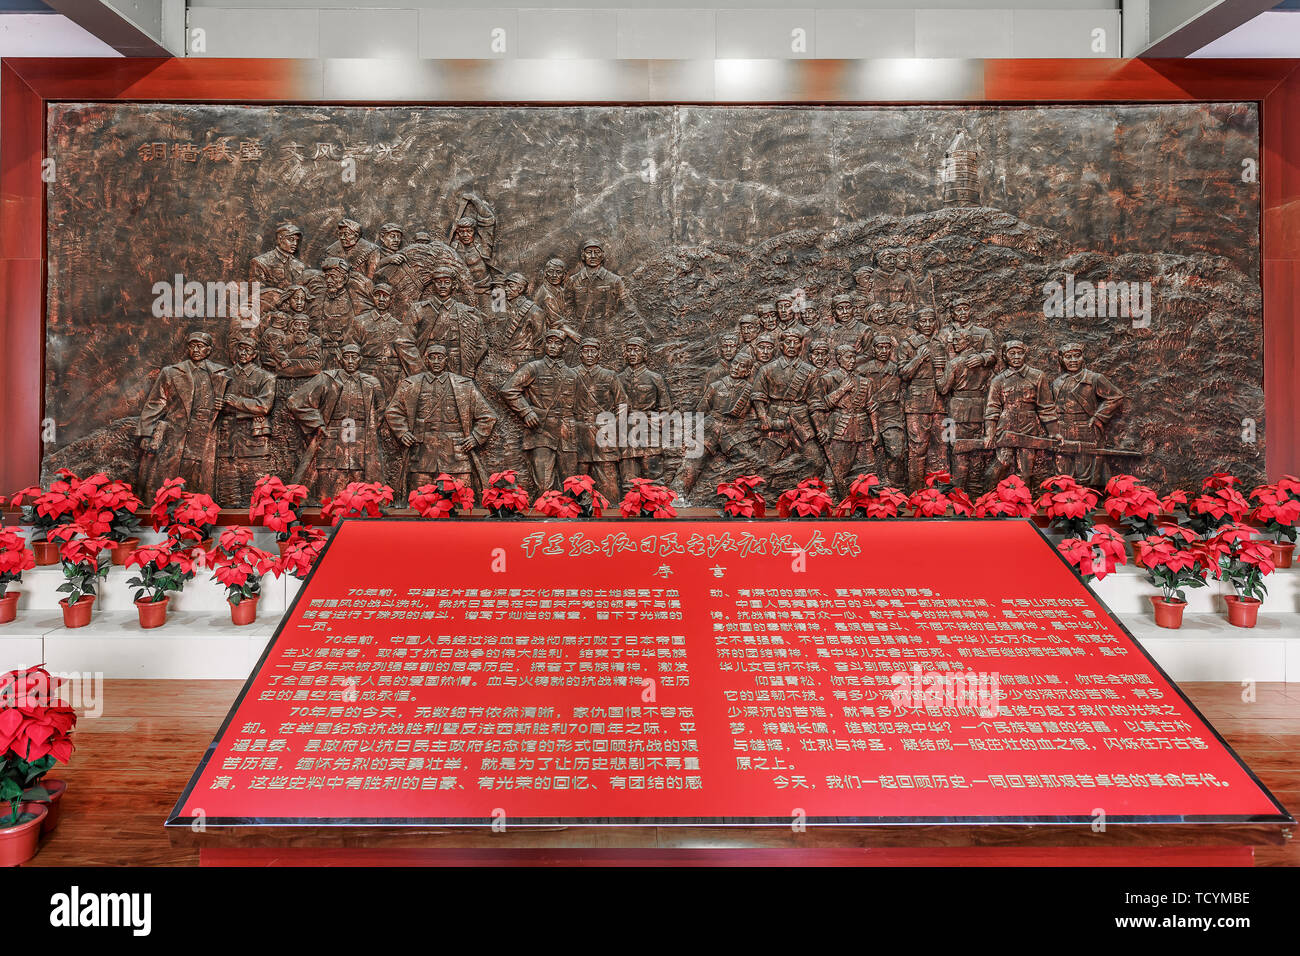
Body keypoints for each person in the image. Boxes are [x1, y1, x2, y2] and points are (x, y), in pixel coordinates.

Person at [385, 344, 497, 494]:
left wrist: (476, 437)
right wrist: (403, 432)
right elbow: (393, 411)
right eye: (432, 358)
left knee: (461, 500)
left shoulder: (464, 385)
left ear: (446, 360)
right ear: (426, 360)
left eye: (440, 357)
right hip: (422, 454)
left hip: (457, 453)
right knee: (419, 500)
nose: (436, 361)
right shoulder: (411, 384)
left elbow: (488, 415)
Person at [288, 343, 386, 500]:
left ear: (360, 360)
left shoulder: (371, 383)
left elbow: (380, 411)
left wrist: (366, 432)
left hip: (360, 442)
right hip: (331, 441)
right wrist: (317, 423)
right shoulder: (327, 379)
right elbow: (295, 402)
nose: (350, 361)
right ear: (340, 359)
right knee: (328, 490)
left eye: (354, 357)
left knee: (362, 492)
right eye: (346, 357)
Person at [137, 331, 227, 499]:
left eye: (200, 346)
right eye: (192, 346)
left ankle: (199, 512)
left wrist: (226, 406)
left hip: (207, 436)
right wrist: (146, 433)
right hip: (177, 434)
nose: (195, 350)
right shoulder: (171, 372)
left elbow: (232, 403)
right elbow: (156, 403)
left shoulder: (222, 373)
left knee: (200, 480)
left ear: (209, 350)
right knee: (172, 479)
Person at [501, 329, 579, 494]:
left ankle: (571, 516)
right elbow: (509, 389)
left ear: (564, 347)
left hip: (567, 432)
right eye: (549, 342)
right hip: (541, 431)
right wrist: (526, 412)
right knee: (544, 484)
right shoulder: (533, 367)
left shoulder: (572, 374)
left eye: (557, 343)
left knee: (572, 484)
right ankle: (545, 515)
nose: (552, 346)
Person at [751, 329, 829, 479]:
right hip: (775, 420)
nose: (792, 345)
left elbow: (815, 403)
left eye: (796, 342)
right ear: (781, 346)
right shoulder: (767, 369)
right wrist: (763, 418)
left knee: (817, 463)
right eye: (788, 342)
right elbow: (757, 396)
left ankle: (800, 491)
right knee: (763, 466)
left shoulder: (811, 372)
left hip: (801, 421)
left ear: (801, 345)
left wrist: (821, 427)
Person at [677, 353, 759, 495]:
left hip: (733, 430)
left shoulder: (751, 391)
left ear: (747, 371)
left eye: (742, 366)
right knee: (692, 463)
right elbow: (701, 410)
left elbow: (753, 416)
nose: (736, 367)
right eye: (735, 363)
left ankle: (740, 496)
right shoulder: (716, 386)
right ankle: (678, 496)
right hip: (711, 426)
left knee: (749, 462)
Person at [984, 340, 1062, 485]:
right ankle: (989, 495)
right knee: (1002, 463)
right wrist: (989, 433)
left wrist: (1054, 431)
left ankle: (1022, 501)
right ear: (1005, 356)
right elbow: (992, 408)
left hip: (1029, 427)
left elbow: (1046, 406)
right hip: (1006, 426)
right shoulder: (998, 380)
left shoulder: (1037, 376)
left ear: (1025, 355)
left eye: (1020, 353)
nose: (1016, 356)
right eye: (1012, 353)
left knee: (1025, 470)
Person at [938, 296, 995, 492]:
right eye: (957, 309)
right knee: (974, 447)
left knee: (959, 447)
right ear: (951, 313)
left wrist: (981, 357)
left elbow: (993, 355)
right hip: (975, 406)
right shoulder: (943, 333)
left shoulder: (983, 333)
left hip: (959, 405)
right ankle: (973, 488)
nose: (962, 312)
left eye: (965, 308)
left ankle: (961, 489)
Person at [1051, 342, 1125, 487]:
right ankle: (1063, 503)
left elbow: (1116, 396)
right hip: (1062, 429)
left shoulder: (1094, 378)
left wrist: (1098, 416)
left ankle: (1085, 501)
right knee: (1062, 470)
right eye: (1068, 357)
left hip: (1085, 428)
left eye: (1077, 356)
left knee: (1084, 469)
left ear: (1083, 358)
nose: (1073, 360)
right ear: (1062, 360)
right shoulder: (1057, 382)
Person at [216, 335, 275, 505]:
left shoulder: (266, 377)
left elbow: (264, 406)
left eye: (247, 350)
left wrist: (235, 403)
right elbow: (219, 405)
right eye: (240, 349)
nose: (243, 353)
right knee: (228, 487)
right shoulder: (223, 376)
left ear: (254, 354)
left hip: (254, 437)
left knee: (255, 485)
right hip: (228, 436)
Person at [572, 337, 629, 504]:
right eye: (585, 351)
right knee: (578, 476)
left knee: (607, 475)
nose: (589, 354)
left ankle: (611, 512)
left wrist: (612, 425)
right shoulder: (571, 375)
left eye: (593, 351)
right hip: (579, 432)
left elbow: (623, 404)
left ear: (599, 354)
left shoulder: (609, 376)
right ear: (580, 354)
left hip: (603, 434)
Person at [407, 264, 488, 379]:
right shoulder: (419, 309)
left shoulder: (469, 313)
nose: (442, 286)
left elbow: (481, 345)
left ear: (454, 285)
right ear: (432, 285)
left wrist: (469, 366)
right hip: (427, 362)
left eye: (447, 282)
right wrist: (417, 368)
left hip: (458, 364)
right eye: (438, 282)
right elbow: (404, 341)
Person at [897, 307, 946, 489]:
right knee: (917, 450)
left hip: (939, 402)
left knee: (940, 449)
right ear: (916, 324)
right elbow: (903, 374)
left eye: (930, 321)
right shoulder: (908, 345)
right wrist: (918, 358)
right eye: (923, 321)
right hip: (917, 404)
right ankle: (916, 493)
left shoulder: (940, 344)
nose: (927, 325)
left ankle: (939, 493)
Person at [819, 344, 875, 499]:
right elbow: (821, 406)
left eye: (853, 357)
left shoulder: (865, 382)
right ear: (838, 359)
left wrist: (876, 432)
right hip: (840, 428)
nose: (852, 361)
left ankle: (863, 499)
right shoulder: (828, 379)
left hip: (862, 430)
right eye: (848, 357)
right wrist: (842, 390)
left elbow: (871, 407)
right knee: (837, 468)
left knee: (867, 468)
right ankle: (831, 500)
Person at [349, 282, 421, 402]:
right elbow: (352, 349)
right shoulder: (359, 322)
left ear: (391, 300)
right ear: (373, 297)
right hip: (367, 370)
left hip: (392, 373)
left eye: (385, 296)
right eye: (378, 295)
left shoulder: (399, 326)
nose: (381, 299)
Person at [618, 336, 672, 484]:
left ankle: (656, 506)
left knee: (654, 476)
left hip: (650, 431)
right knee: (629, 479)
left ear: (644, 353)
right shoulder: (618, 379)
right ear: (625, 354)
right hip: (626, 433)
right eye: (629, 350)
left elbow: (665, 408)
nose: (633, 353)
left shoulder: (655, 378)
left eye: (637, 350)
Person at [565, 239, 642, 336]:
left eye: (597, 252)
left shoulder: (615, 280)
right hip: (581, 332)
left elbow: (627, 306)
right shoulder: (573, 280)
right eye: (589, 252)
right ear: (583, 255)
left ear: (603, 255)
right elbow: (567, 308)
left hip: (607, 332)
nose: (593, 256)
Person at [860, 334, 906, 488]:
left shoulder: (896, 369)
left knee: (896, 451)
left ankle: (896, 485)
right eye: (880, 347)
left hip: (892, 414)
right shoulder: (864, 370)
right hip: (869, 413)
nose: (883, 350)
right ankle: (881, 484)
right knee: (876, 451)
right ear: (873, 349)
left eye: (887, 347)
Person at [249, 222, 306, 289]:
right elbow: (255, 294)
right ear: (280, 239)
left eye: (297, 240)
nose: (295, 243)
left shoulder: (299, 265)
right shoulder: (261, 263)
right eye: (291, 239)